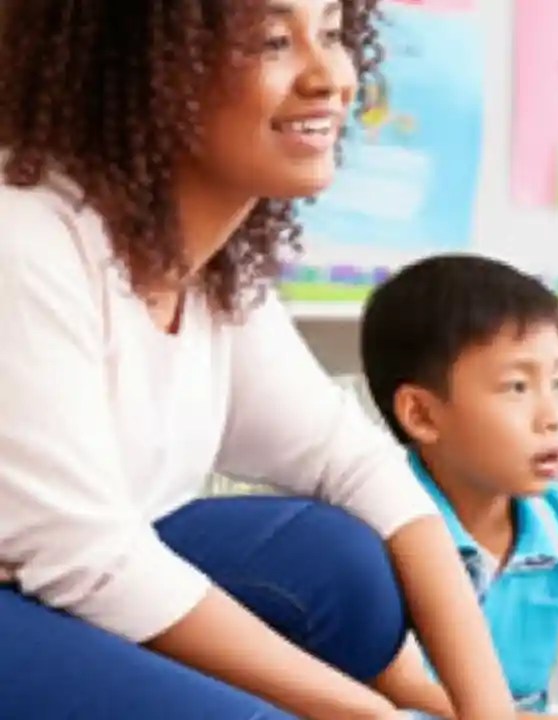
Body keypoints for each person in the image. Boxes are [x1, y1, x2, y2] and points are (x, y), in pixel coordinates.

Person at [0, 2, 515, 718]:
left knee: (346, 572)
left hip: (56, 576)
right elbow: (85, 555)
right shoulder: (23, 240)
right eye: (273, 41)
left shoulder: (209, 266)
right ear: (151, 71)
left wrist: (487, 709)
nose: (328, 77)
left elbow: (354, 463)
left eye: (330, 33)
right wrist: (371, 714)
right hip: (45, 578)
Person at [359, 254, 558, 719]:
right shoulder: (376, 524)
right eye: (517, 386)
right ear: (422, 414)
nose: (553, 417)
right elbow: (404, 691)